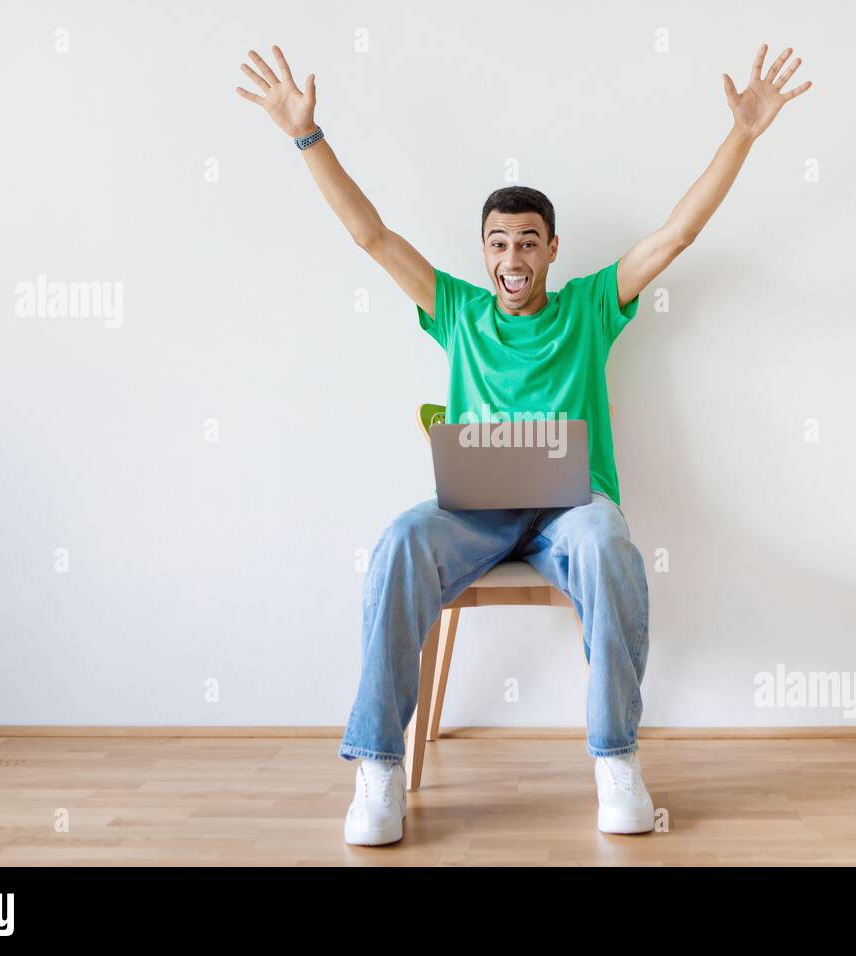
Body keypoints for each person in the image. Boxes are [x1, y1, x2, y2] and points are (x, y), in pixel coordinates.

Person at [236, 42, 812, 845]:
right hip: (475, 514)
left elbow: (675, 235)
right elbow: (372, 237)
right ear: (485, 252)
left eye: (529, 241)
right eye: (499, 242)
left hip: (568, 512)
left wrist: (742, 135)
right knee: (401, 539)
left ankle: (616, 761)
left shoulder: (588, 308)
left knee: (610, 538)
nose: (513, 257)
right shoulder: (456, 311)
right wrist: (307, 136)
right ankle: (377, 770)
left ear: (551, 249)